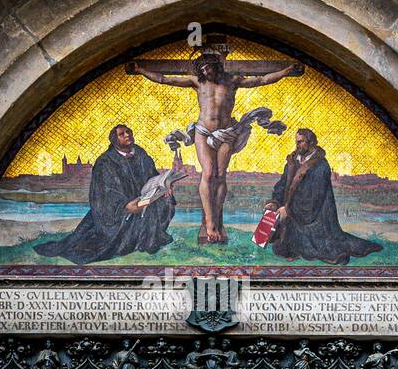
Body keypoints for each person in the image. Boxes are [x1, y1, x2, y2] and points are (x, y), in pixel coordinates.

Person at [128, 49, 302, 245]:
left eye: (208, 66)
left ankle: (217, 220)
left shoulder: (232, 81)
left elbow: (262, 80)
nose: (205, 70)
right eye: (201, 68)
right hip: (203, 132)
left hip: (226, 133)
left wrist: (286, 70)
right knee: (208, 173)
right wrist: (141, 70)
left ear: (216, 66)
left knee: (220, 175)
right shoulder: (197, 82)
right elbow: (164, 79)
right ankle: (210, 223)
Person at [34, 125, 175, 264]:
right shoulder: (105, 162)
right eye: (122, 134)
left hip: (143, 199)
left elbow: (153, 176)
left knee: (167, 201)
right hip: (117, 210)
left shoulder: (140, 153)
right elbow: (105, 193)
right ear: (114, 140)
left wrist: (165, 186)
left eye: (129, 132)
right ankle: (135, 241)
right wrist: (125, 206)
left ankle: (149, 240)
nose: (127, 135)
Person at [264, 129, 383, 266]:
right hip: (293, 212)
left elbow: (315, 197)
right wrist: (274, 202)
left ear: (311, 142)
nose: (297, 145)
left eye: (301, 141)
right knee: (282, 247)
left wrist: (288, 209)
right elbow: (283, 184)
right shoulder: (292, 162)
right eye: (296, 142)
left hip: (316, 217)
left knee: (326, 250)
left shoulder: (320, 165)